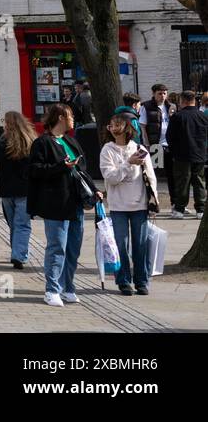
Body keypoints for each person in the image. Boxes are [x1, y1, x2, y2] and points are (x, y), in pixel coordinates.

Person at [29, 103, 94, 307]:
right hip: (55, 202)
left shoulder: (71, 140)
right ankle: (52, 289)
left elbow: (82, 170)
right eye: (70, 116)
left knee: (73, 248)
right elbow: (35, 170)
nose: (73, 118)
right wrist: (60, 167)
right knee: (57, 247)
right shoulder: (42, 143)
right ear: (59, 118)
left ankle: (68, 287)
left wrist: (94, 189)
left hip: (74, 201)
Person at [100, 110, 157, 296]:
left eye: (118, 125)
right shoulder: (107, 150)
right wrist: (128, 163)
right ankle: (123, 281)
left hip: (139, 204)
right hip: (118, 206)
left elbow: (150, 177)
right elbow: (111, 177)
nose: (114, 128)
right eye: (111, 125)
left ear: (127, 127)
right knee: (120, 245)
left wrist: (154, 201)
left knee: (140, 246)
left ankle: (142, 281)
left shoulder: (139, 149)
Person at [0, 110, 36, 269]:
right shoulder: (30, 142)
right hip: (26, 188)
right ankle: (18, 253)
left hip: (6, 188)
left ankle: (17, 253)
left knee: (13, 223)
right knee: (22, 224)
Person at [166, 90, 207, 219]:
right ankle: (200, 209)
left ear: (182, 101)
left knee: (182, 182)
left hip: (181, 155)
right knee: (199, 181)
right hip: (200, 154)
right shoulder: (203, 116)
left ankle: (179, 209)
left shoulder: (177, 117)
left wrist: (174, 151)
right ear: (194, 100)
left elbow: (170, 137)